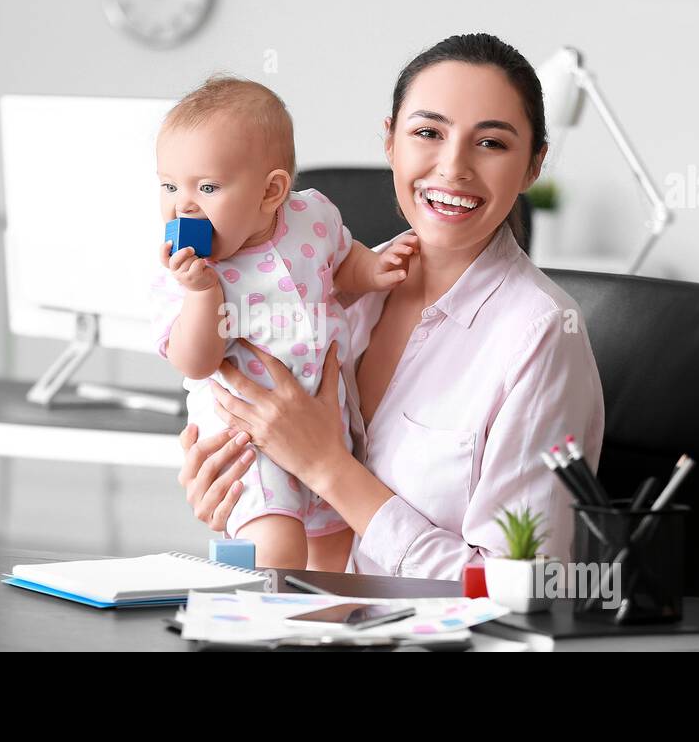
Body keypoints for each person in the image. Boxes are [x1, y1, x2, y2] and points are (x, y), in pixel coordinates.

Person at [174, 34, 605, 580]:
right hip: (298, 621)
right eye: (428, 132)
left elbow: (525, 588)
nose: (453, 168)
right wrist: (229, 490)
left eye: (491, 144)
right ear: (390, 142)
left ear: (533, 165)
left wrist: (328, 468)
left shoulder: (541, 335)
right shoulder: (322, 288)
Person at [152, 76, 418, 570]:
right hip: (247, 439)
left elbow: (342, 261)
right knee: (278, 549)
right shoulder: (189, 274)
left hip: (326, 421)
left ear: (272, 190)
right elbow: (194, 361)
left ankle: (320, 632)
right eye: (169, 185)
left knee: (336, 551)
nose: (182, 205)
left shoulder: (312, 215)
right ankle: (262, 627)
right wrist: (203, 294)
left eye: (206, 187)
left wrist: (374, 270)